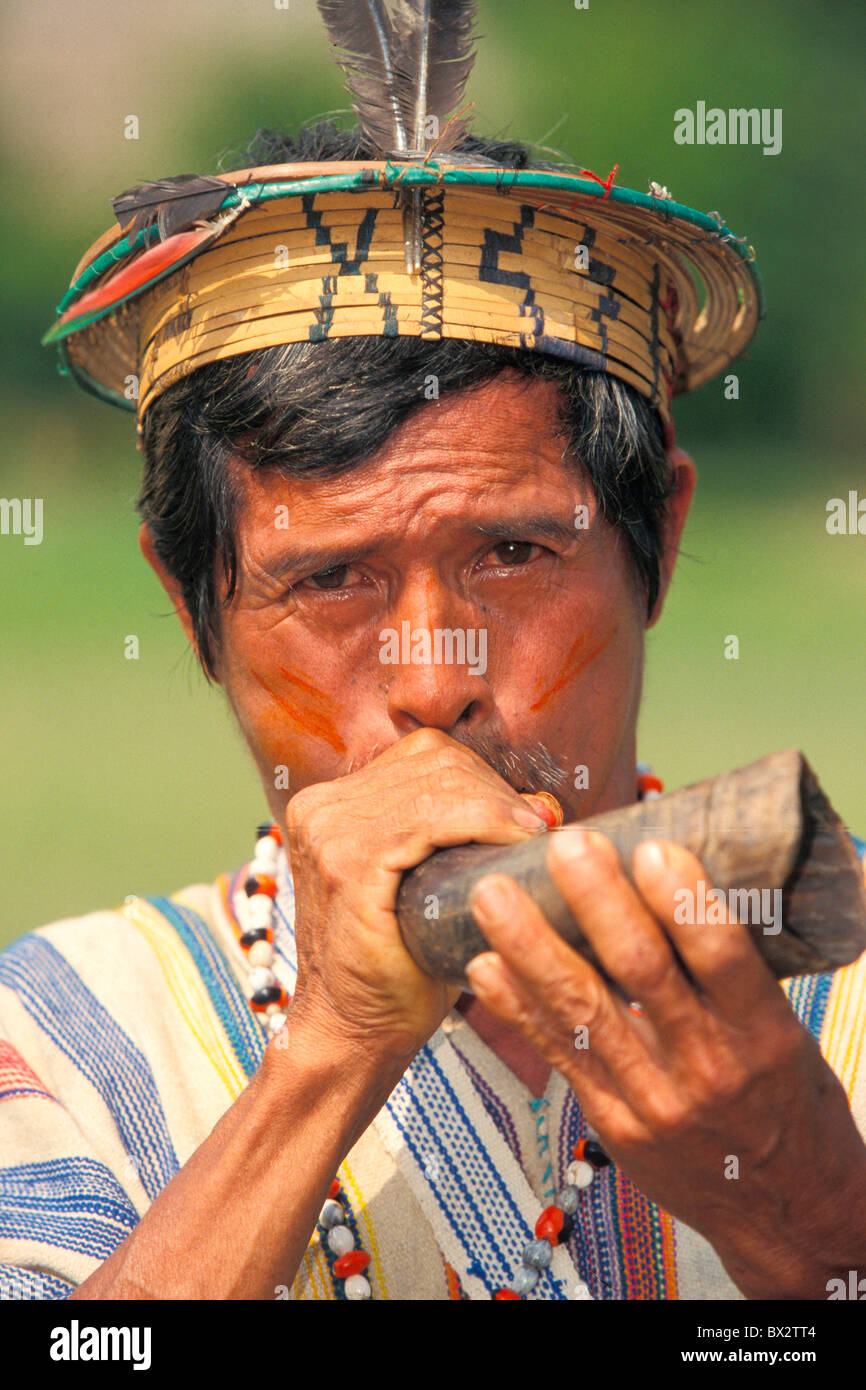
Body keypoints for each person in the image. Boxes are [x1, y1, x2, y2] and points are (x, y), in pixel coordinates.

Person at [3, 3, 865, 1300]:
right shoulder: (68, 1036)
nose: (430, 680)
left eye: (512, 556)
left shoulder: (841, 998)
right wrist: (330, 1051)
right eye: (328, 580)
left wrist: (810, 1225)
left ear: (657, 542)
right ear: (190, 612)